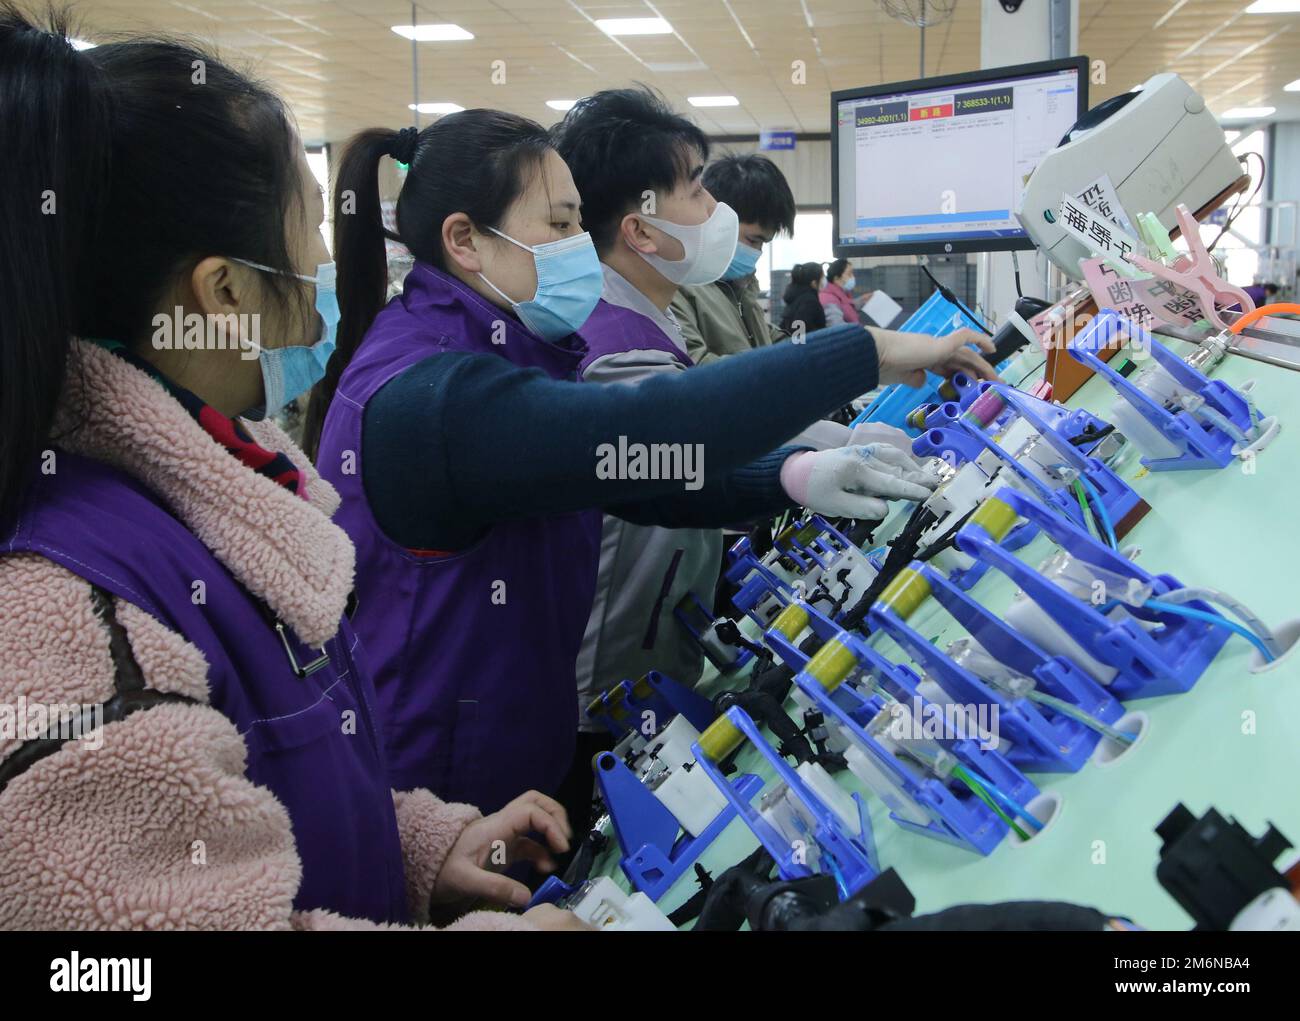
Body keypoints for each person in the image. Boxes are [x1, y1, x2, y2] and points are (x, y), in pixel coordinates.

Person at [0, 9, 579, 931]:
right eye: (305, 225)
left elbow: (253, 790)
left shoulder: (219, 491)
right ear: (222, 290)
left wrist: (417, 847)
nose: (320, 261)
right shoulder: (65, 608)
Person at [305, 107, 997, 822]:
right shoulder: (438, 394)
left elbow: (629, 469)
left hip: (497, 766)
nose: (582, 245)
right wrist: (867, 351)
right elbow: (648, 423)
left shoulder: (487, 348)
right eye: (562, 224)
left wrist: (788, 476)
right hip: (445, 792)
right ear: (465, 240)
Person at [551, 88, 976, 828]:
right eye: (693, 189)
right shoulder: (610, 342)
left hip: (652, 634)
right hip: (608, 675)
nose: (710, 207)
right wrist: (839, 413)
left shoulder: (638, 318)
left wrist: (833, 443)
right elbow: (697, 441)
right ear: (639, 229)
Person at [670, 154, 795, 364]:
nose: (757, 252)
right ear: (717, 220)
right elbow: (694, 364)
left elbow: (762, 337)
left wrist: (810, 348)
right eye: (753, 239)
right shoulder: (676, 287)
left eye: (764, 243)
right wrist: (775, 369)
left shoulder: (738, 285)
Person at [781, 262, 827, 334]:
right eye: (823, 277)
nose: (825, 280)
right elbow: (800, 334)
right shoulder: (809, 302)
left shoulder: (795, 297)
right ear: (814, 283)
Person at [821, 258, 863, 326]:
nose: (853, 277)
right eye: (849, 274)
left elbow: (845, 306)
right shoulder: (828, 299)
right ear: (836, 278)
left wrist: (863, 300)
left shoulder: (841, 294)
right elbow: (837, 328)